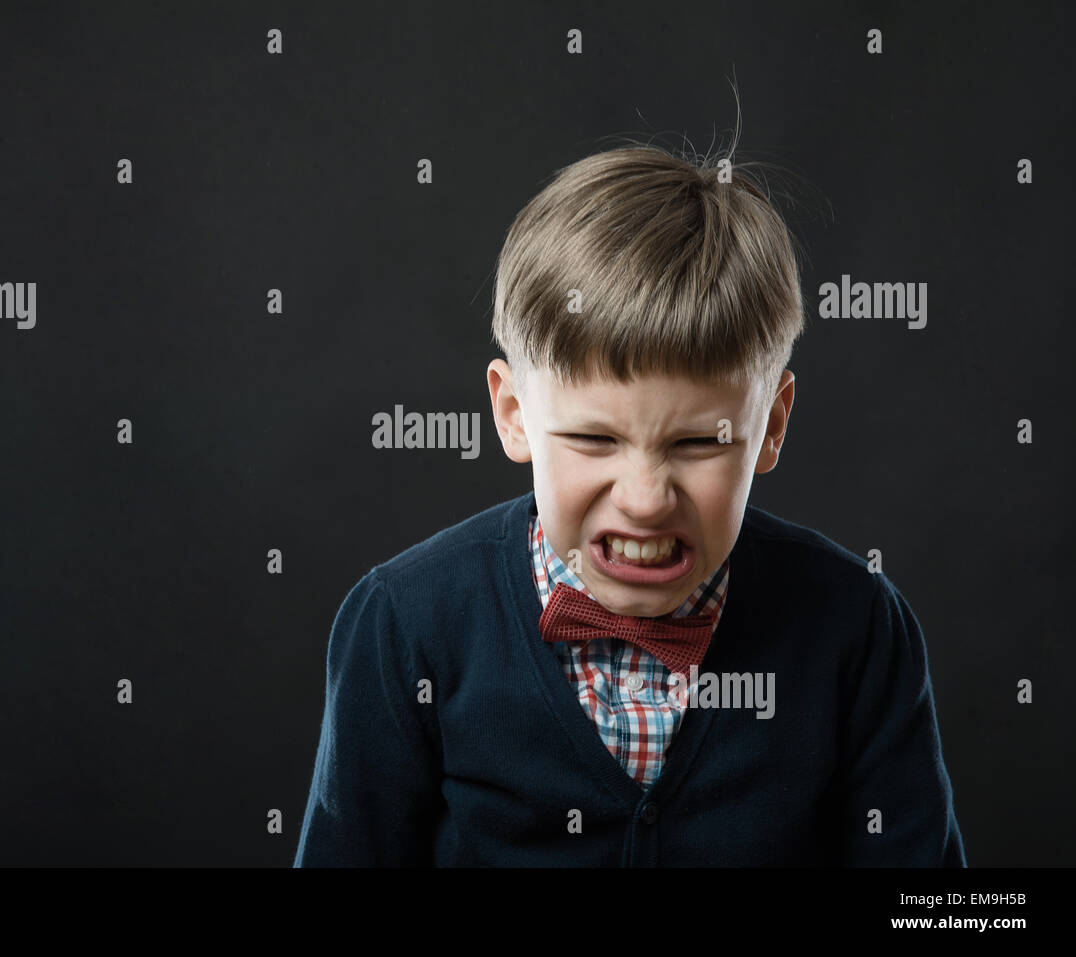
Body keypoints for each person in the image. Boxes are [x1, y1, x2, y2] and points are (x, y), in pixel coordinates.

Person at [293, 141, 966, 866]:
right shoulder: (403, 622)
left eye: (698, 445)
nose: (645, 500)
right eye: (593, 437)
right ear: (514, 412)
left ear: (770, 426)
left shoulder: (855, 624)